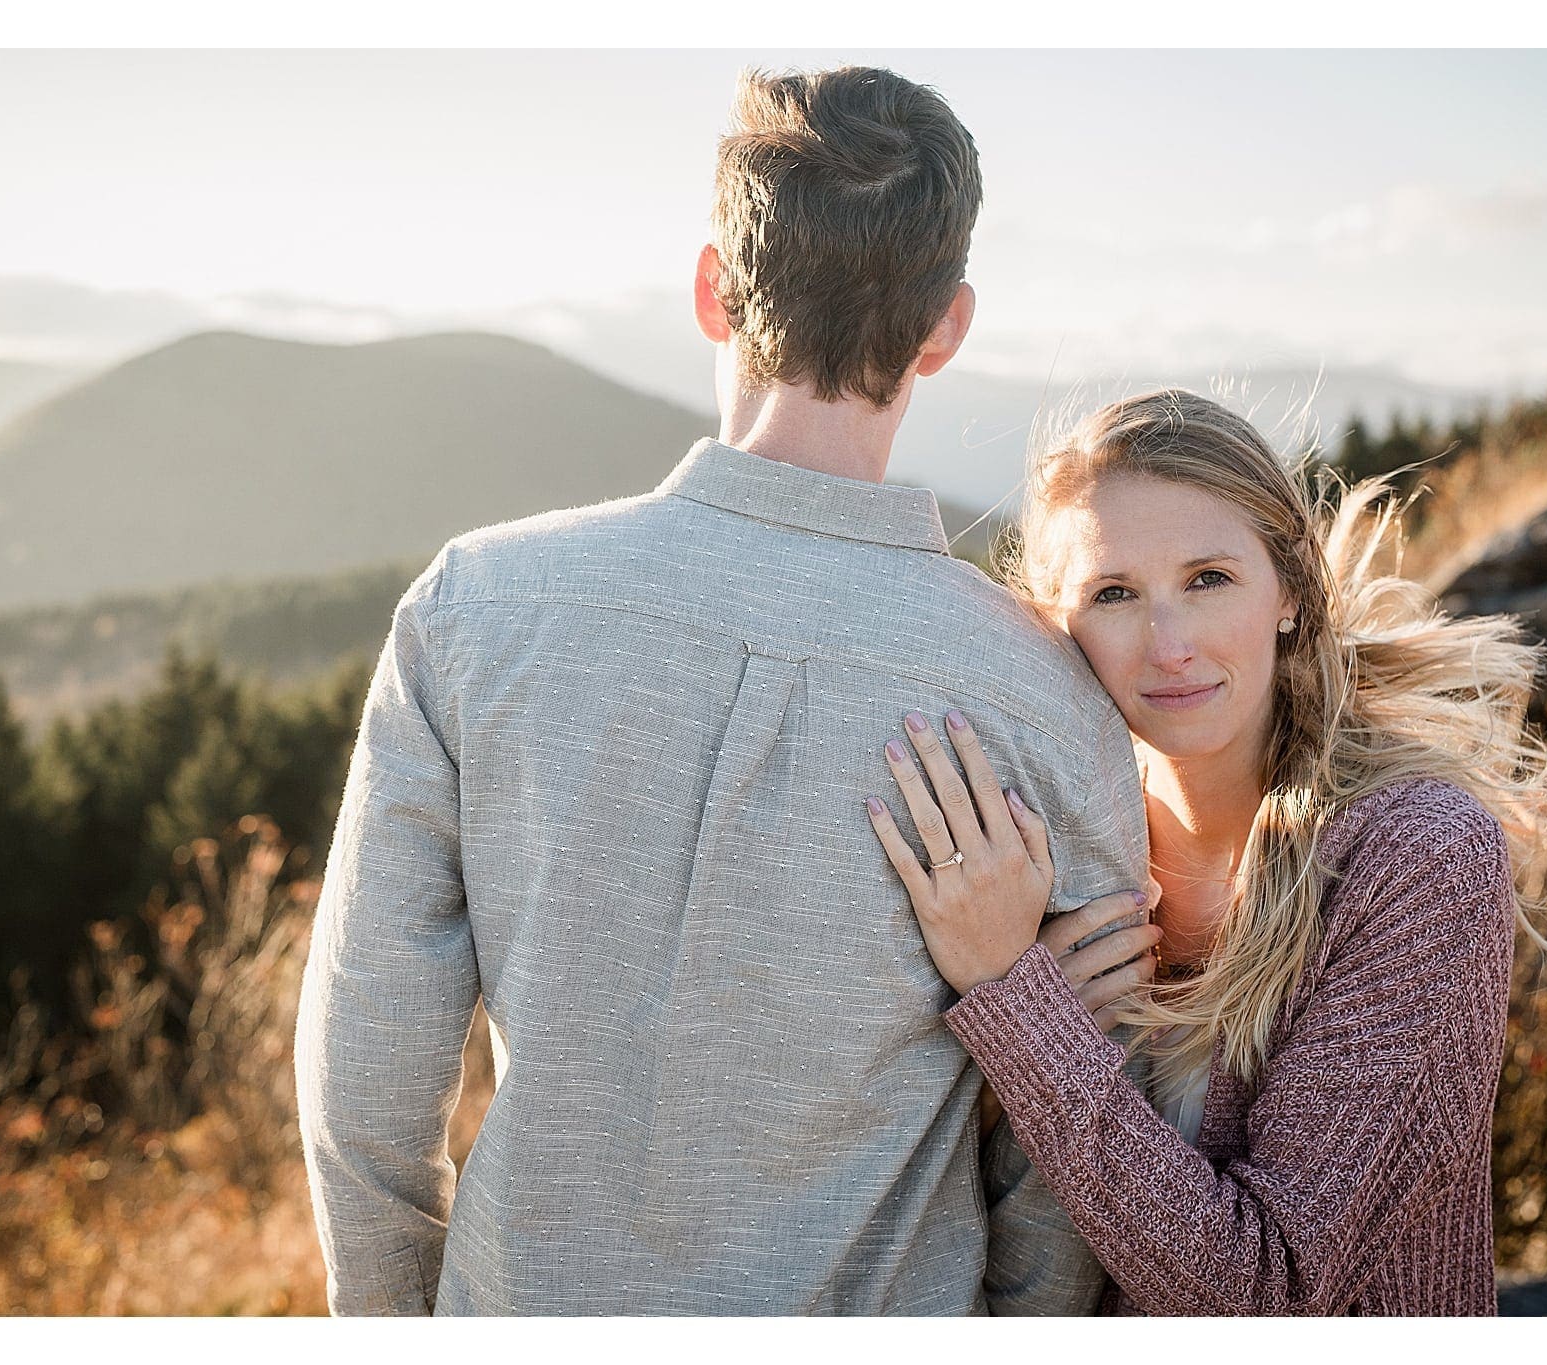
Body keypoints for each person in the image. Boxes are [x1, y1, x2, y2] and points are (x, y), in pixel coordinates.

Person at [291, 65, 1152, 1315]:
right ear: (946, 325)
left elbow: (366, 1076)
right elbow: (1066, 1150)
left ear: (711, 289)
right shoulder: (1047, 700)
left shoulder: (475, 610)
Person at [866, 388, 1547, 1315]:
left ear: (1288, 593)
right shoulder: (1044, 861)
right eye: (1114, 594)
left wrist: (1018, 1004)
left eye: (1208, 578)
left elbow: (1269, 1290)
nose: (1170, 644)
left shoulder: (1414, 856)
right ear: (1056, 630)